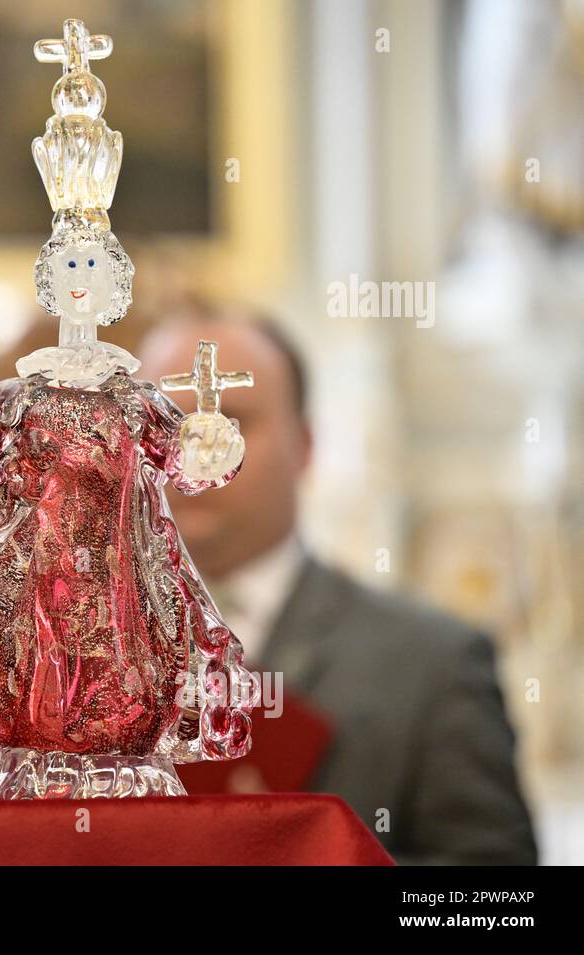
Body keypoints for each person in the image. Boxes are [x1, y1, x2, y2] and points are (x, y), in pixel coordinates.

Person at [136, 305, 537, 865]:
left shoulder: (434, 663)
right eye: (163, 424)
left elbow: (497, 894)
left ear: (305, 447)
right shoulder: (57, 659)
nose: (189, 451)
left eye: (231, 420)